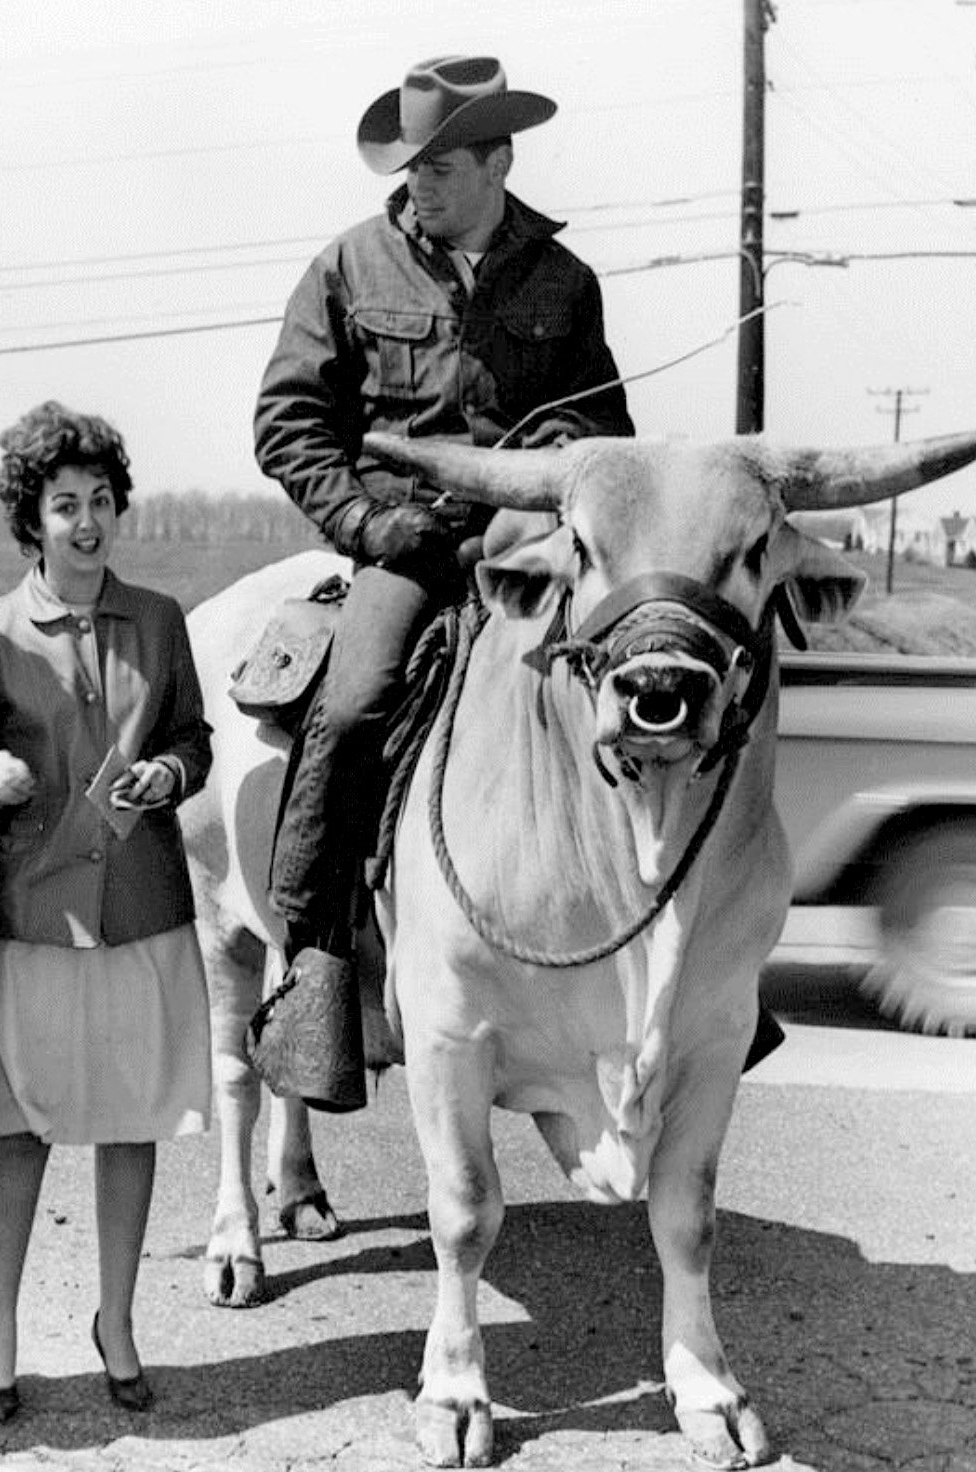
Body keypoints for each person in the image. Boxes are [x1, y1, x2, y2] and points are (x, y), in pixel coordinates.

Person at [249, 55, 635, 1106]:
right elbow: (286, 425)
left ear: (498, 160)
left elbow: (604, 435)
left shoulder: (565, 282)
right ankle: (317, 962)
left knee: (638, 679)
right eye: (409, 166)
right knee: (356, 700)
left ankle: (678, 947)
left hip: (528, 548)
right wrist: (367, 523)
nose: (417, 184)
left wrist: (557, 456)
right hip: (406, 554)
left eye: (440, 165)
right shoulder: (349, 267)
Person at [0, 401, 213, 1423]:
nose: (88, 520)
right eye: (65, 504)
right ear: (32, 518)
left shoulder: (160, 618)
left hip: (141, 909)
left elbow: (194, 737)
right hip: (30, 918)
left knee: (131, 1121)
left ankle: (117, 1319)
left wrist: (168, 770)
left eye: (101, 500)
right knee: (20, 1128)